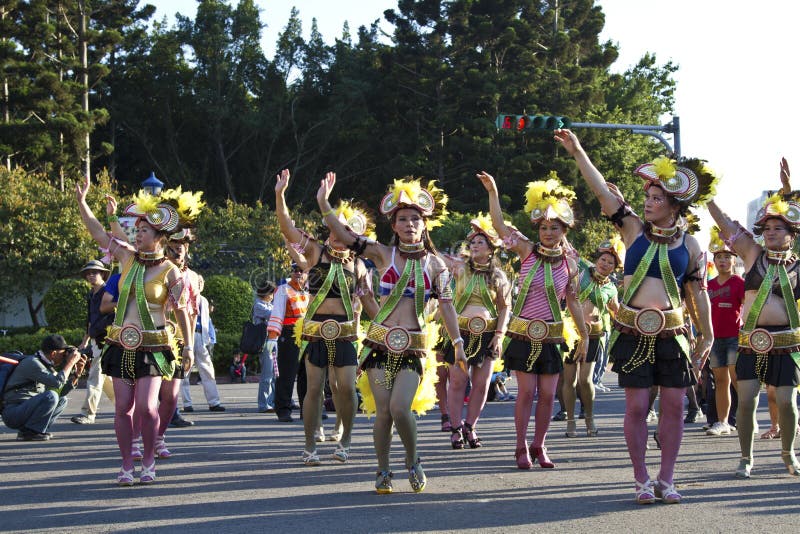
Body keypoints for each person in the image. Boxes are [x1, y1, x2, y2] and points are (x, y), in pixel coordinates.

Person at [555, 129, 716, 504]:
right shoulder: (632, 230)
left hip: (672, 334)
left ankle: (668, 478)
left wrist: (706, 335)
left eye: (656, 198)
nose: (648, 203)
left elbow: (698, 293)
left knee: (675, 405)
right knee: (637, 407)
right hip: (633, 332)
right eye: (646, 196)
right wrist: (578, 150)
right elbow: (602, 192)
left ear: (674, 206)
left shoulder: (692, 246)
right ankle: (641, 477)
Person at [318, 172, 466, 494]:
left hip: (413, 350)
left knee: (401, 408)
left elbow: (447, 306)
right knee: (383, 413)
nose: (410, 224)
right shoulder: (382, 255)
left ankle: (413, 461)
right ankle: (383, 469)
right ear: (394, 225)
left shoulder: (437, 266)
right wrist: (323, 202)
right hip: (378, 347)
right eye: (403, 219)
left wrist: (457, 343)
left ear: (425, 224)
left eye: (415, 218)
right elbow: (342, 234)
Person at [76, 176, 196, 485]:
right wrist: (82, 203)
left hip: (155, 345)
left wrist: (189, 348)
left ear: (159, 238)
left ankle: (149, 461)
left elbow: (182, 310)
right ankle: (127, 464)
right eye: (137, 230)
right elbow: (100, 234)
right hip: (121, 343)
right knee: (122, 408)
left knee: (145, 406)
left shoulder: (171, 271)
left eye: (144, 231)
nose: (138, 234)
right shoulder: (127, 259)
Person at [476, 171, 588, 470]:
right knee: (526, 392)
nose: (548, 233)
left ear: (565, 229)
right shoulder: (526, 250)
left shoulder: (571, 261)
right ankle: (521, 445)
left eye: (554, 228)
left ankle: (540, 444)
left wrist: (585, 335)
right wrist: (494, 191)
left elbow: (573, 300)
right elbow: (499, 226)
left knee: (550, 394)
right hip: (523, 334)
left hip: (551, 335)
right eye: (543, 227)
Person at [276, 168, 379, 465]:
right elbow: (286, 227)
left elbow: (369, 303)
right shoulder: (315, 252)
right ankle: (310, 445)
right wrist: (280, 194)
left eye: (344, 229)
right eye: (334, 228)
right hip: (316, 330)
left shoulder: (359, 266)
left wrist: (387, 329)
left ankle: (345, 439)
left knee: (346, 388)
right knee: (313, 388)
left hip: (346, 332)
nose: (337, 234)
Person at [706, 156, 800, 478]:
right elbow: (726, 223)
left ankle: (788, 454)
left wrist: (787, 193)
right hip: (750, 340)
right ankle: (746, 458)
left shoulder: (799, 265)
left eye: (779, 228)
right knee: (746, 401)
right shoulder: (752, 253)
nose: (771, 233)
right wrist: (705, 194)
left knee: (786, 402)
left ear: (792, 233)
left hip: (787, 341)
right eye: (768, 228)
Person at [440, 214, 511, 449]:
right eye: (473, 242)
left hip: (488, 337)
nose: (475, 245)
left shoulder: (499, 276)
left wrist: (499, 336)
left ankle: (471, 426)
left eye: (481, 242)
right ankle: (456, 427)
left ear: (491, 249)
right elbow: (433, 254)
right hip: (460, 334)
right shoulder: (459, 267)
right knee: (458, 382)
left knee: (482, 385)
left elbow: (504, 308)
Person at [562, 238, 622, 437]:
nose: (605, 264)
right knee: (569, 379)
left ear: (614, 268)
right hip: (572, 332)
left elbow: (617, 311)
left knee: (586, 380)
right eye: (603, 260)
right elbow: (569, 247)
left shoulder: (611, 288)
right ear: (597, 260)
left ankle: (589, 417)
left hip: (595, 334)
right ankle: (570, 421)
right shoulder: (582, 272)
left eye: (610, 263)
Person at [2, 335, 86, 440]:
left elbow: (60, 391)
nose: (65, 356)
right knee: (51, 396)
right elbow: (57, 383)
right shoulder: (33, 363)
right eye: (63, 354)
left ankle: (30, 430)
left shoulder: (45, 364)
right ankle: (31, 432)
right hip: (13, 413)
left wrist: (76, 374)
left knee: (62, 400)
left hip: (25, 410)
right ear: (53, 353)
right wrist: (70, 363)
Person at [704, 226, 744, 436]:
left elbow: (749, 307)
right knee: (720, 381)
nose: (723, 261)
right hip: (714, 339)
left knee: (737, 379)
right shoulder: (708, 285)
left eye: (727, 257)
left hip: (735, 337)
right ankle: (722, 422)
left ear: (733, 261)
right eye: (719, 257)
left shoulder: (739, 283)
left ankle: (747, 420)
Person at [70, 260, 116, 425]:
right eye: (88, 273)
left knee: (95, 377)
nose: (91, 275)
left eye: (95, 272)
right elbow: (90, 320)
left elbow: (115, 315)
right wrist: (85, 341)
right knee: (105, 379)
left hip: (109, 340)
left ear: (102, 274)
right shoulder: (91, 294)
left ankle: (88, 414)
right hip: (96, 340)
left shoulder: (108, 292)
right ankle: (125, 409)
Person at [267, 263, 309, 422]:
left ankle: (308, 409)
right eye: (295, 270)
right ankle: (283, 409)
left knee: (308, 375)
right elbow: (277, 313)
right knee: (287, 373)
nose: (298, 273)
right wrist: (272, 337)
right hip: (289, 333)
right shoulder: (283, 290)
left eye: (301, 270)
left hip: (308, 335)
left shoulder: (311, 291)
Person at [181, 276, 225, 412]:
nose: (199, 284)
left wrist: (211, 338)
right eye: (197, 282)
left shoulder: (204, 300)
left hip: (200, 336)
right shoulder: (183, 296)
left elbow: (208, 321)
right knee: (184, 371)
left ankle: (214, 402)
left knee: (207, 369)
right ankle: (187, 404)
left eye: (201, 282)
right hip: (187, 335)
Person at [253, 281, 277, 411]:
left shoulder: (269, 304)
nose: (273, 295)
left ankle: (272, 401)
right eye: (272, 292)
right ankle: (263, 404)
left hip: (273, 341)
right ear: (267, 293)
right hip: (266, 342)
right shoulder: (259, 305)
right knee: (267, 374)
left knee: (274, 373)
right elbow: (273, 315)